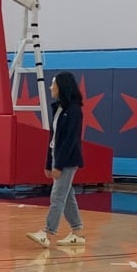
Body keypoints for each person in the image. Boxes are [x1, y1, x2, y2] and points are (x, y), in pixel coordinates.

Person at [27, 71, 86, 247]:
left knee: (57, 196)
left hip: (67, 159)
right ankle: (77, 231)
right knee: (67, 196)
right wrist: (48, 162)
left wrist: (59, 165)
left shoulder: (74, 110)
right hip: (57, 156)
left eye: (54, 84)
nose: (51, 87)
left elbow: (70, 140)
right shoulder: (59, 108)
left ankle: (47, 232)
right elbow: (53, 138)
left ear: (62, 86)